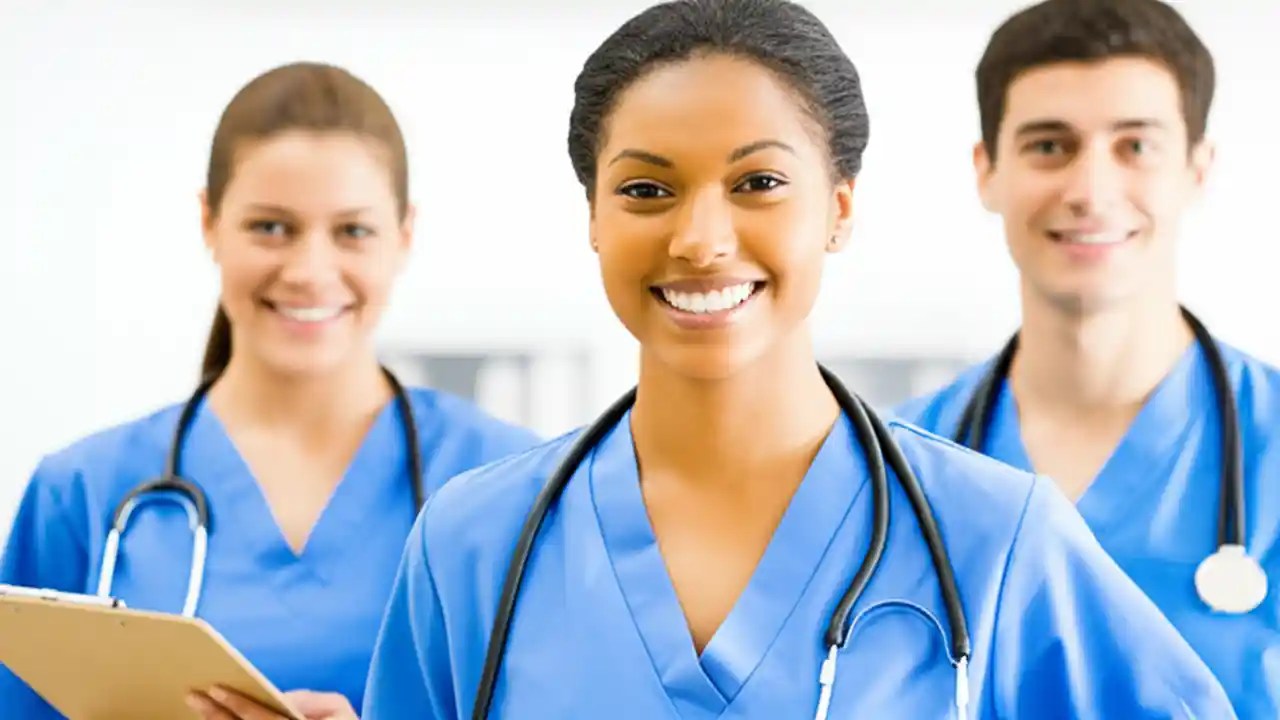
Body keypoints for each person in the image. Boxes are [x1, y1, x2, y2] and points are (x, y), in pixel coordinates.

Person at [357, 1, 1237, 717]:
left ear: (839, 209)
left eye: (759, 184)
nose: (700, 239)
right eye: (646, 190)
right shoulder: (472, 547)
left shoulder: (996, 538)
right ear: (593, 217)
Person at [0, 62, 540, 720]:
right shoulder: (82, 494)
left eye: (353, 231)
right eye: (271, 228)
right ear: (209, 222)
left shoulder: (511, 484)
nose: (311, 271)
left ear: (404, 236)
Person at [893, 0, 1280, 716]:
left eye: (1135, 147)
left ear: (1198, 170)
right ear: (987, 171)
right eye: (1049, 146)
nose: (1090, 191)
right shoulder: (891, 472)